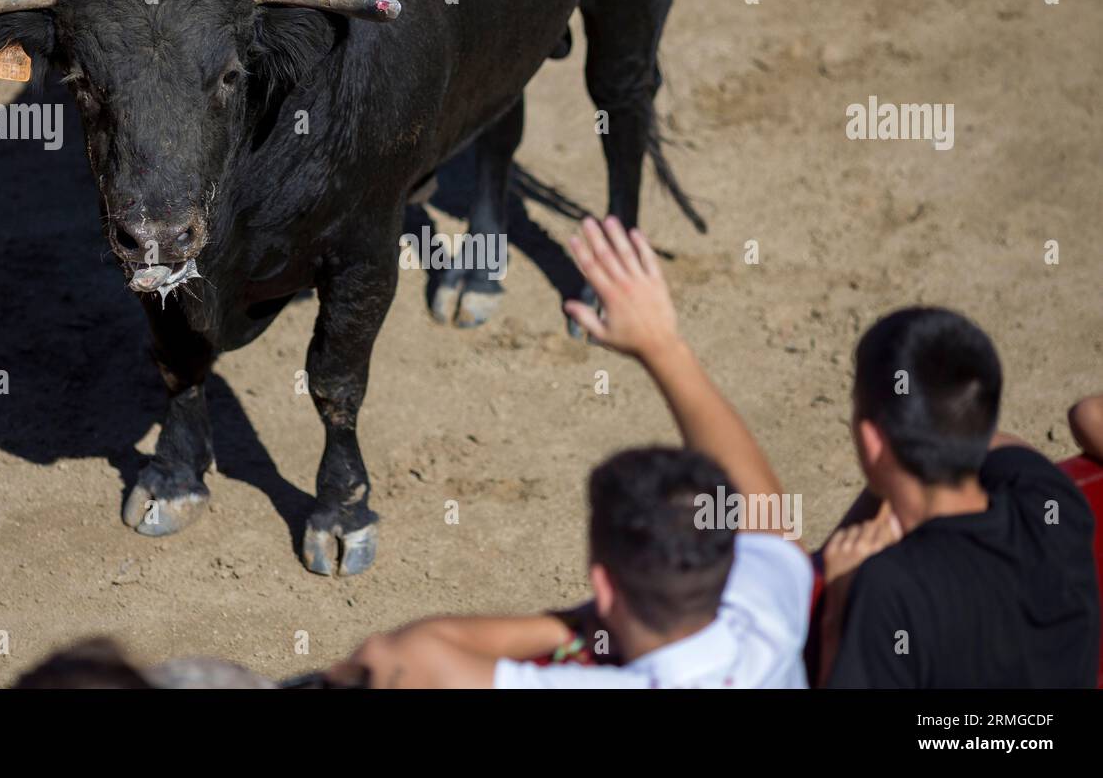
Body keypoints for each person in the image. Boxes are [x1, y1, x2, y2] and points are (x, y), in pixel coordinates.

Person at [328, 217, 812, 688]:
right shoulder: (768, 622)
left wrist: (571, 626)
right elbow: (765, 513)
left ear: (603, 587)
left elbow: (391, 661)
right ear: (725, 566)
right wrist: (663, 348)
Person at [815, 308, 1100, 687]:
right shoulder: (1050, 504)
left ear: (871, 441)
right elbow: (1086, 414)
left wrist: (837, 609)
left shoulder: (888, 588)